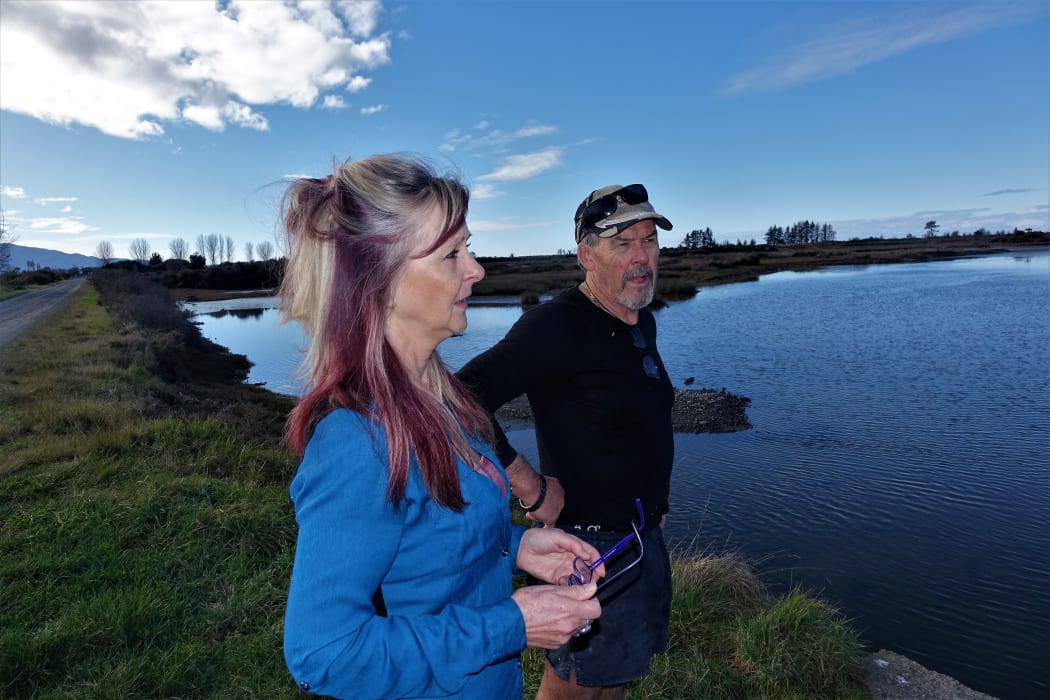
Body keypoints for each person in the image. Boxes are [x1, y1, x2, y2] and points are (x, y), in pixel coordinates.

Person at [279, 154, 605, 700]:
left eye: (468, 248)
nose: (475, 269)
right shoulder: (356, 442)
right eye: (452, 253)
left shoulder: (445, 396)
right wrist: (511, 624)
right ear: (379, 282)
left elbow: (423, 546)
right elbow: (324, 654)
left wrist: (517, 546)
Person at [457, 182, 676, 699]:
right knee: (573, 687)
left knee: (616, 680)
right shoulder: (554, 325)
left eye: (649, 241)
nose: (642, 257)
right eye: (622, 245)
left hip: (638, 540)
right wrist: (529, 486)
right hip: (582, 548)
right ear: (585, 255)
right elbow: (459, 397)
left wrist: (656, 502)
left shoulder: (640, 321)